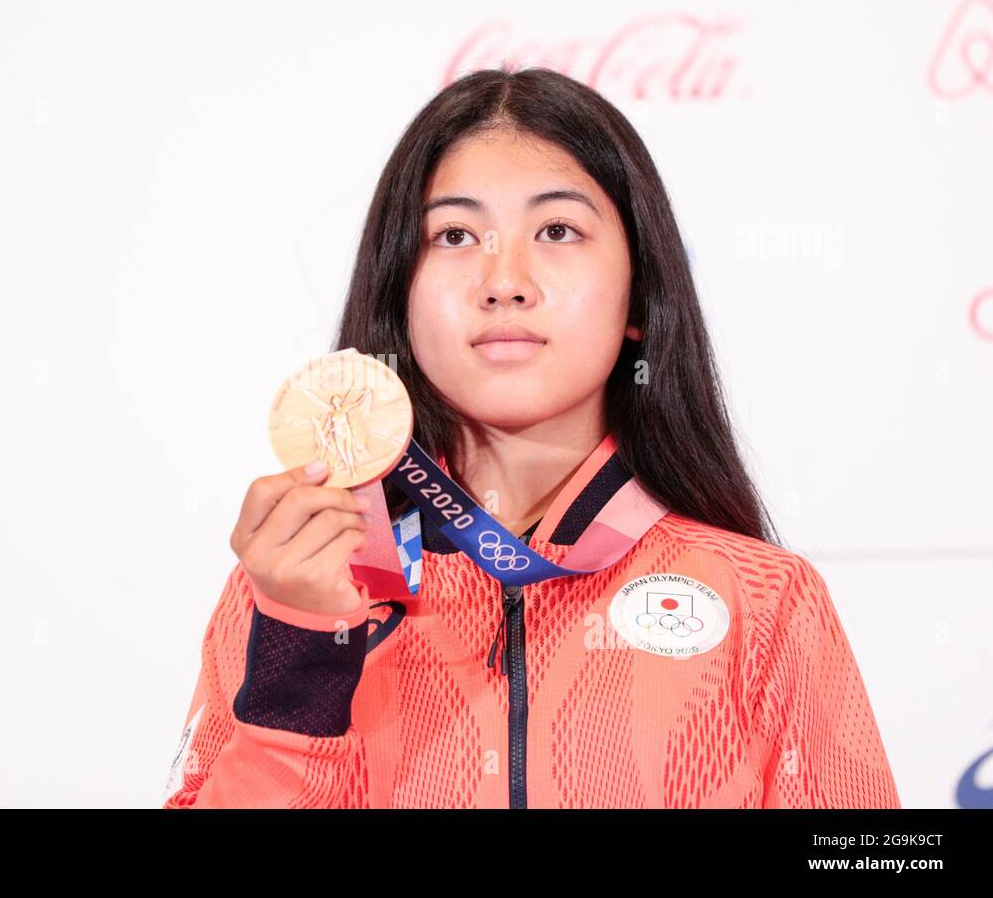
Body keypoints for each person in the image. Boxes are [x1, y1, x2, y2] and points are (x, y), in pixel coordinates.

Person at [161, 67, 901, 808]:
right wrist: (300, 660)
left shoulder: (766, 601)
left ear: (639, 295)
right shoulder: (298, 579)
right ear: (400, 294)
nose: (504, 280)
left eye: (557, 231)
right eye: (454, 235)